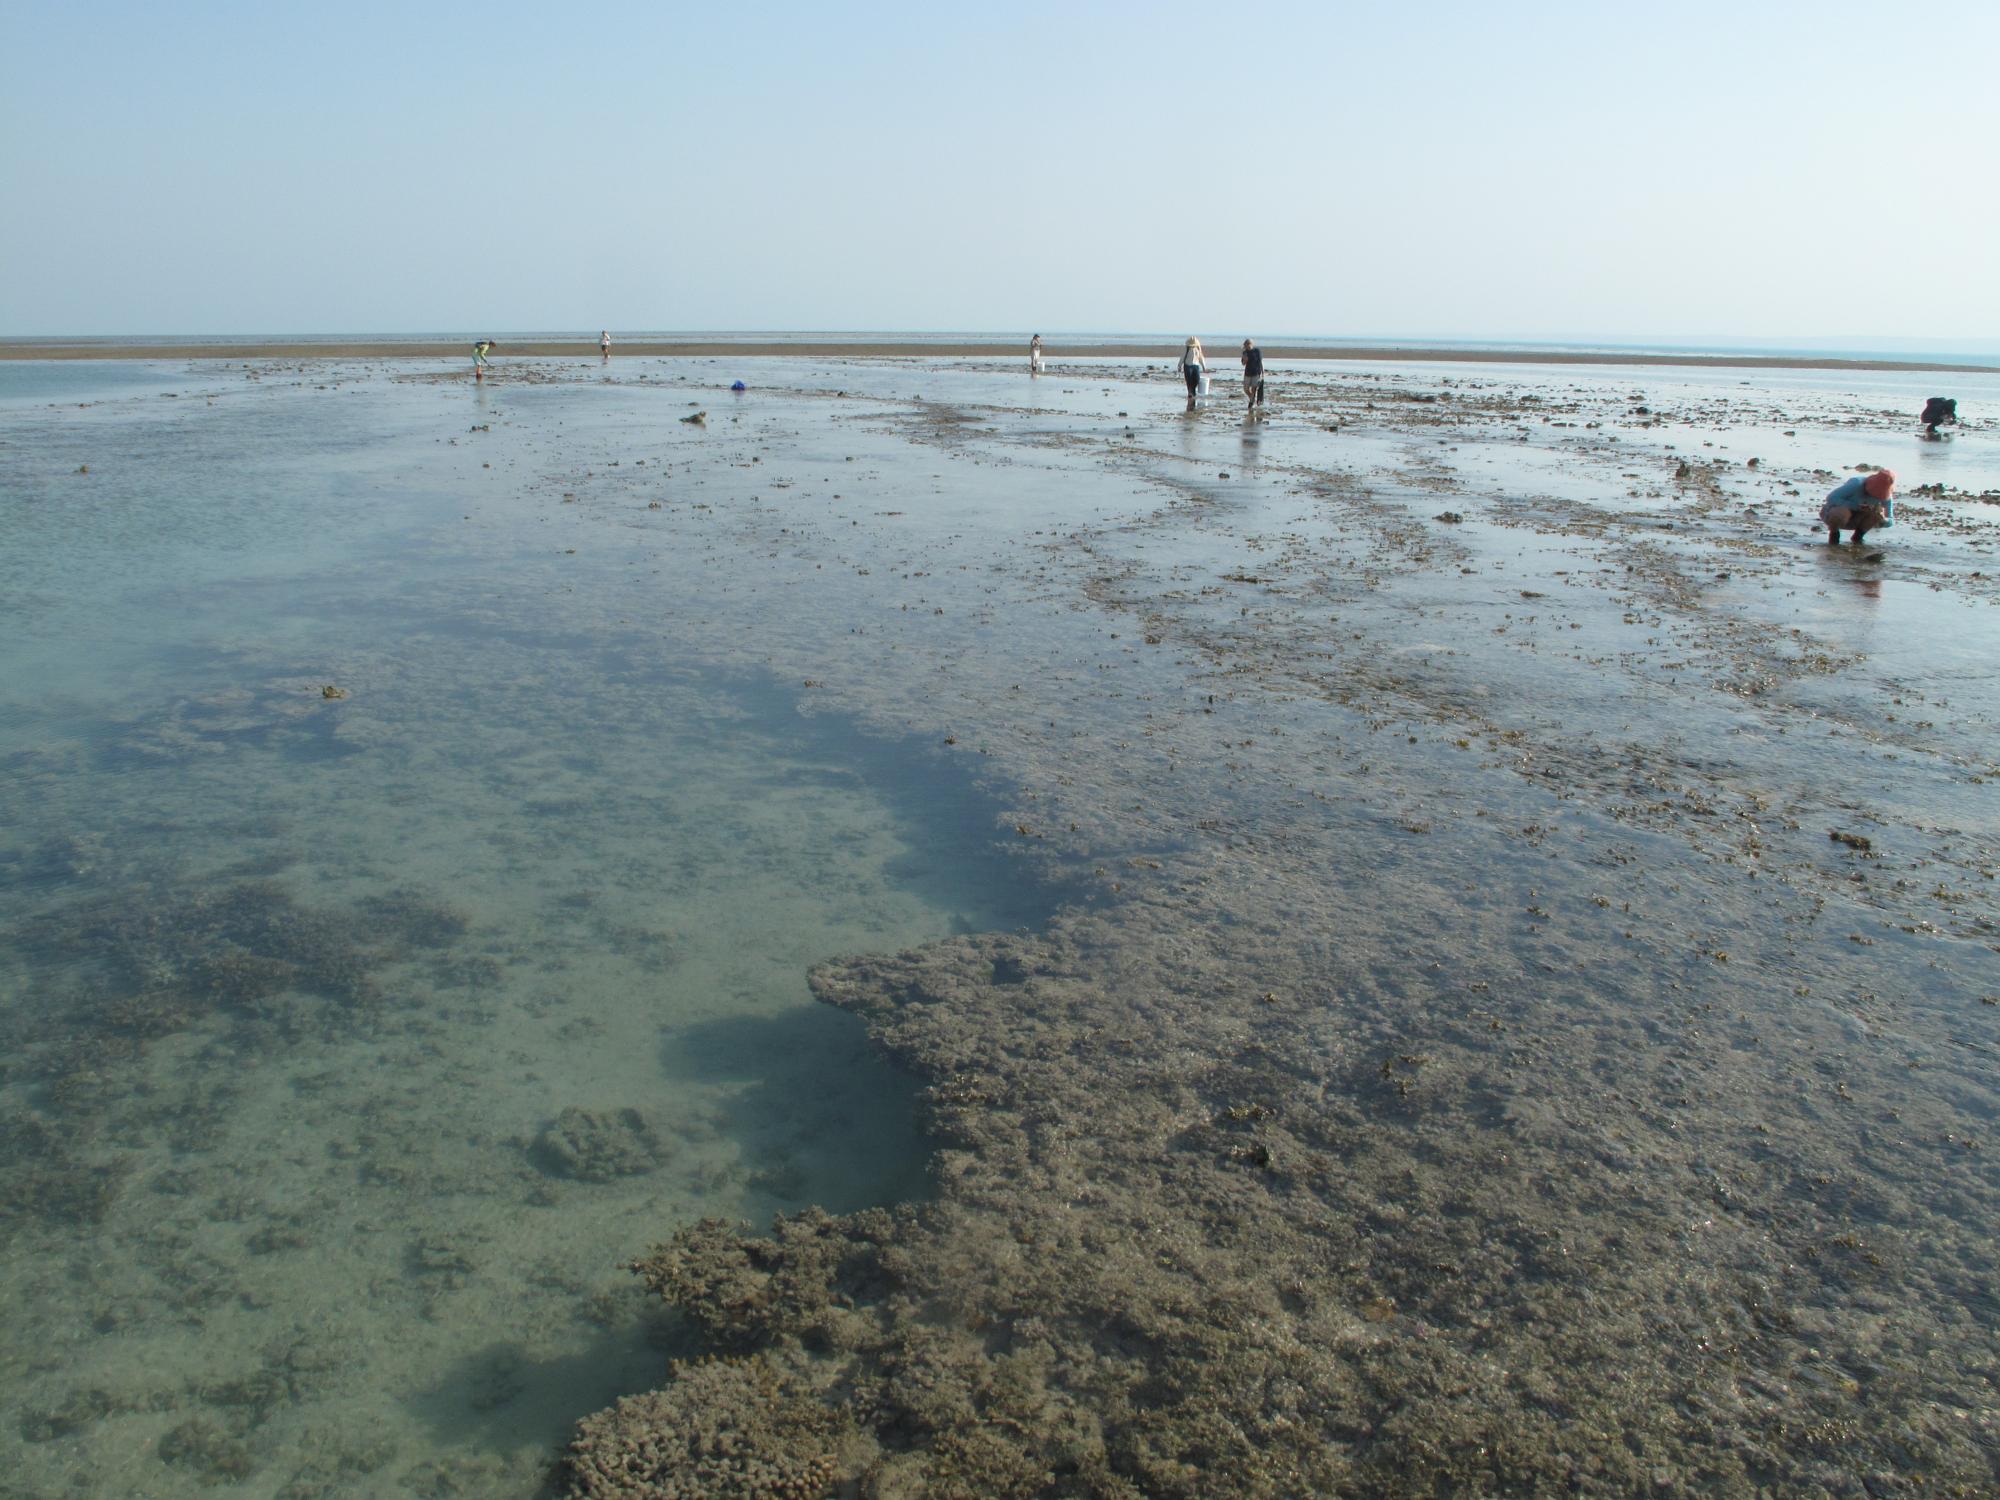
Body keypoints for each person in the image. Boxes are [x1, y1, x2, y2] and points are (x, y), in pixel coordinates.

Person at [1819, 469, 1895, 544]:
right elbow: (1831, 498)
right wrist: (1856, 506)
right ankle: (1834, 535)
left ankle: (1858, 538)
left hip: (1859, 521)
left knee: (1876, 514)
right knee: (1840, 512)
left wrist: (1883, 520)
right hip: (1832, 515)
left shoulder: (1886, 497)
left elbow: (1890, 521)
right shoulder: (1856, 484)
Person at [1177, 337, 1205, 411]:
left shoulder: (1198, 348)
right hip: (1187, 366)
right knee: (1189, 381)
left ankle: (1192, 392)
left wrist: (1204, 366)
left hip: (1196, 365)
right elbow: (1182, 357)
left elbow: (1201, 357)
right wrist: (1179, 366)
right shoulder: (1186, 348)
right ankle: (1190, 393)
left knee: (1197, 379)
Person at [1240, 338, 1267, 416]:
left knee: (1254, 388)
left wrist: (1262, 373)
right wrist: (1245, 359)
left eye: (1248, 344)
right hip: (1247, 373)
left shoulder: (1257, 351)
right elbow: (1243, 363)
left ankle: (1251, 402)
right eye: (1245, 345)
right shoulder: (1245, 352)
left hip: (1256, 373)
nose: (1247, 346)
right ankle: (1252, 398)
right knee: (1245, 389)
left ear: (1251, 344)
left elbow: (1260, 362)